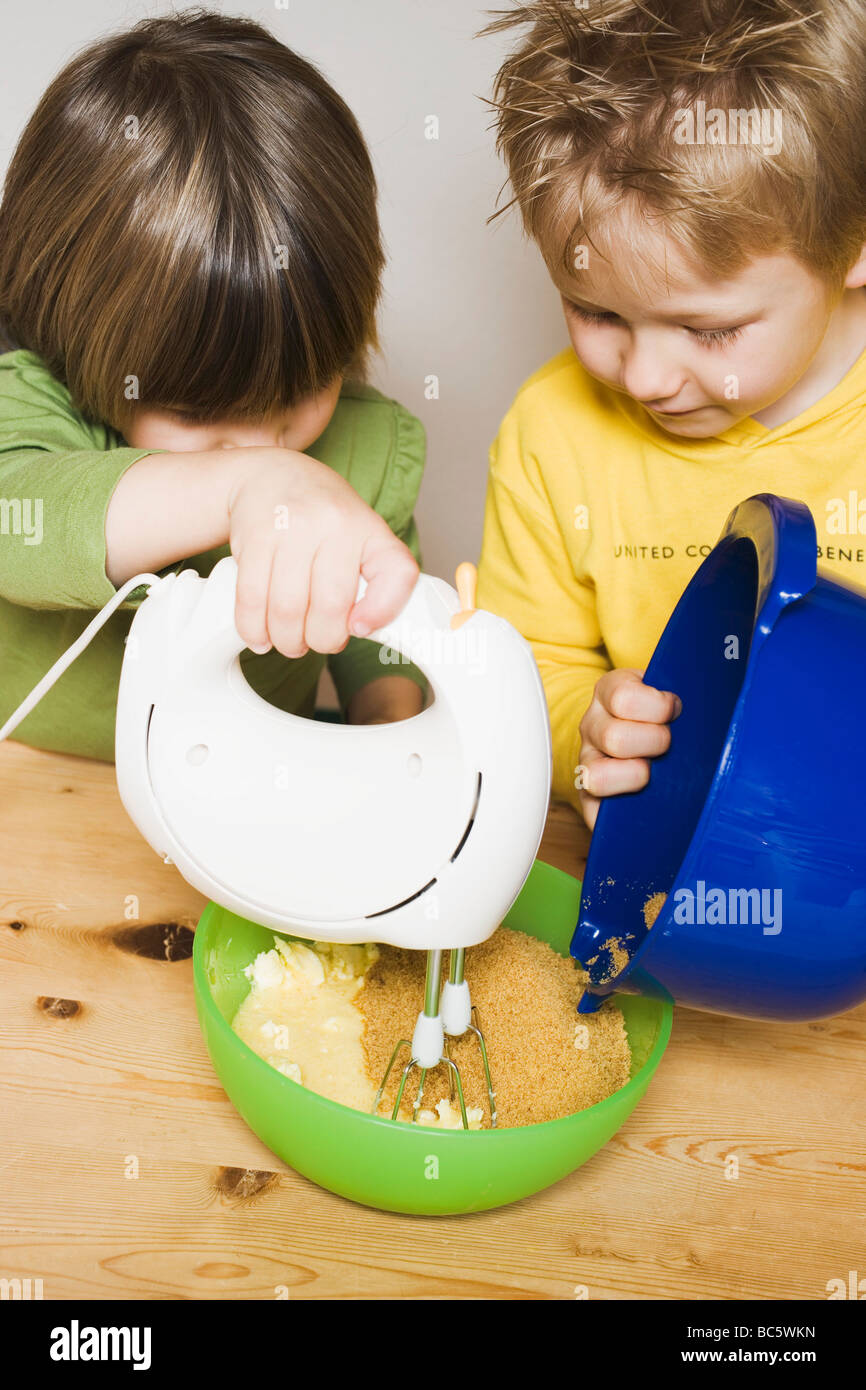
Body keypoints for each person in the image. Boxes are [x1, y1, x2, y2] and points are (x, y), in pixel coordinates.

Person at [0, 9, 427, 760]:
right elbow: (17, 526)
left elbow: (376, 626)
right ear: (72, 331)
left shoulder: (367, 444)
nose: (263, 443)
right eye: (199, 410)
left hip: (238, 797)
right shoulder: (30, 397)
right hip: (35, 791)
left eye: (298, 396)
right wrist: (248, 485)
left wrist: (388, 715)